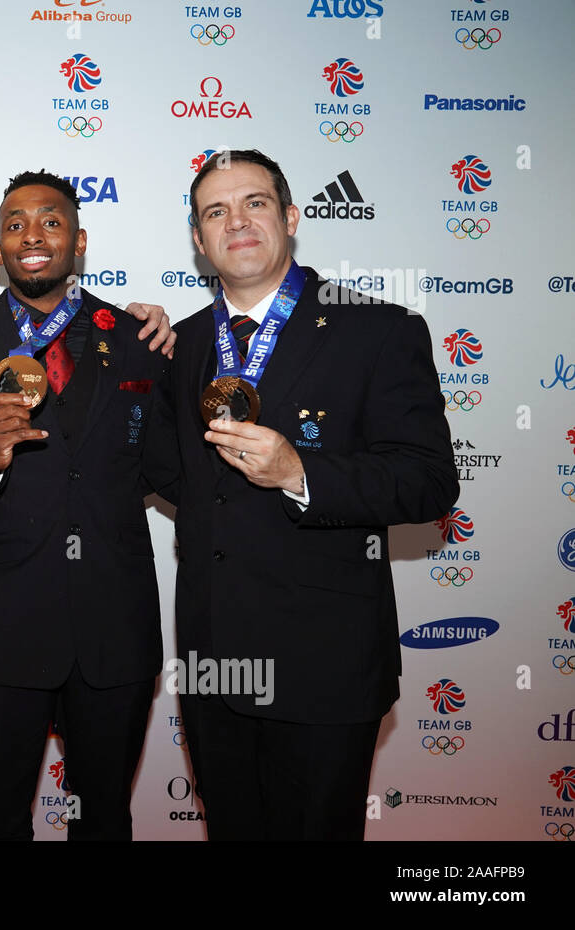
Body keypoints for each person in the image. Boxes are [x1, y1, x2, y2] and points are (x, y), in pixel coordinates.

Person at [157, 149, 458, 839]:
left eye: (254, 203)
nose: (236, 222)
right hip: (215, 664)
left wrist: (302, 475)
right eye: (215, 212)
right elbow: (172, 474)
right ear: (200, 241)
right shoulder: (183, 343)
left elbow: (429, 479)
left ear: (290, 217)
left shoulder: (378, 329)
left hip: (324, 662)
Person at [0, 172, 177, 840]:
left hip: (115, 630)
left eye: (51, 222)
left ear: (79, 240)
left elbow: (174, 472)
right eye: (16, 224)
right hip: (7, 631)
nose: (33, 236)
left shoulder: (140, 338)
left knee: (105, 820)